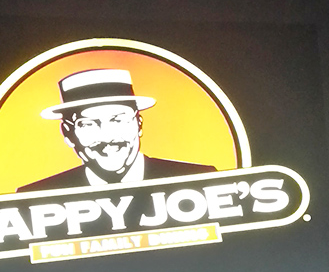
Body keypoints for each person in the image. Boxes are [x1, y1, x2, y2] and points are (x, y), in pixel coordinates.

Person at [18, 68, 215, 191]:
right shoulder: (35, 197)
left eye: (117, 120)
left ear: (139, 124)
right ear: (68, 134)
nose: (107, 136)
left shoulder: (201, 181)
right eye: (88, 124)